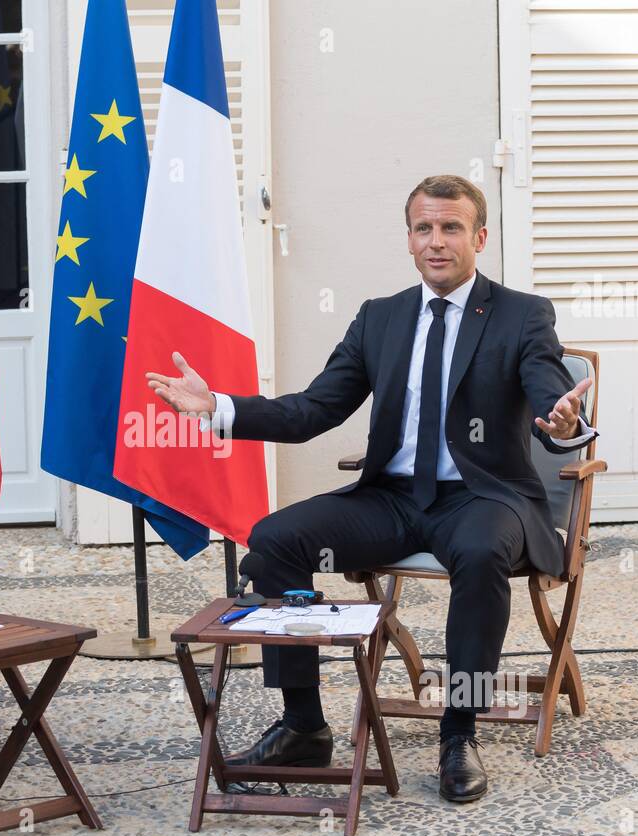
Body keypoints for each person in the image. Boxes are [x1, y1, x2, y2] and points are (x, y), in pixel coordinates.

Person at [145, 175, 596, 802]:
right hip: (394, 497)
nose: (436, 242)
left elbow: (548, 387)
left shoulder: (522, 313)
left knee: (480, 549)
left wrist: (561, 419)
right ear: (409, 240)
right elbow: (313, 411)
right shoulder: (381, 318)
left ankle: (459, 731)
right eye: (423, 228)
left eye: (451, 228)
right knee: (275, 539)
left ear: (480, 237)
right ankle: (303, 724)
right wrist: (219, 407)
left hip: (485, 498)